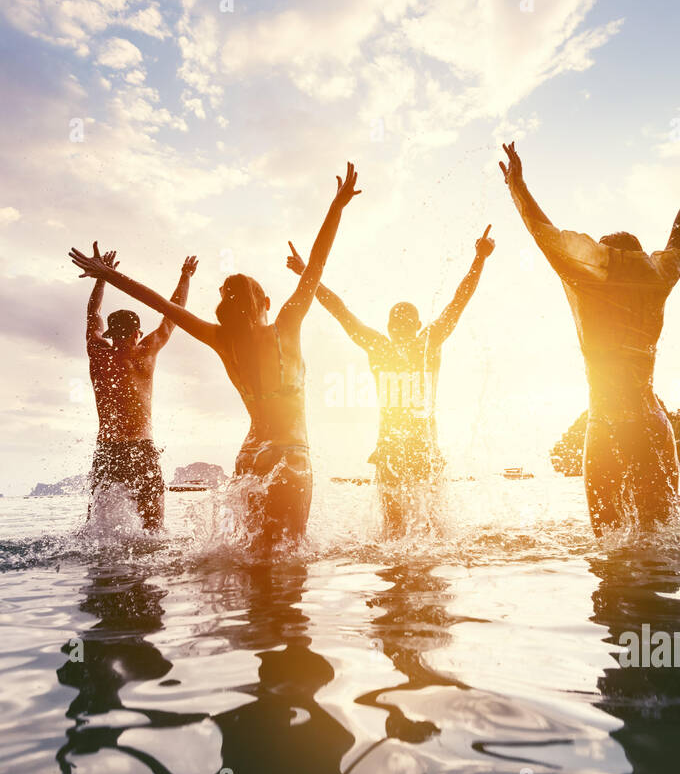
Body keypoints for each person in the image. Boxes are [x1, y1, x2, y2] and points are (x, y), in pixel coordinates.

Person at [70, 162, 362, 552]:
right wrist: (336, 208)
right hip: (290, 452)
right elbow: (318, 264)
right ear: (267, 303)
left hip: (249, 455)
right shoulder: (286, 324)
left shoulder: (220, 338)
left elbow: (156, 301)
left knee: (251, 555)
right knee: (288, 556)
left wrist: (106, 273)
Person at [499, 136, 680, 529]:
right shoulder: (658, 278)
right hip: (651, 423)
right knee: (664, 536)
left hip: (604, 424)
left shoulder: (586, 281)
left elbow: (543, 232)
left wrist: (517, 186)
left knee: (609, 545)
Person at [287, 226, 494, 536]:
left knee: (396, 532)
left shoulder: (384, 346)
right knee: (434, 532)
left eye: (401, 322)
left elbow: (340, 310)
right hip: (415, 448)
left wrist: (307, 273)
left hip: (399, 449)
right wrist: (479, 258)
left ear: (394, 325)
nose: (399, 327)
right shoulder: (426, 342)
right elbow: (458, 301)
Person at [85, 243, 196, 531]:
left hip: (107, 450)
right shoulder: (145, 354)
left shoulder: (98, 353)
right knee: (154, 531)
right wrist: (185, 276)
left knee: (97, 531)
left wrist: (101, 278)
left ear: (110, 334)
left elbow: (92, 314)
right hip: (141, 450)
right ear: (137, 333)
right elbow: (173, 314)